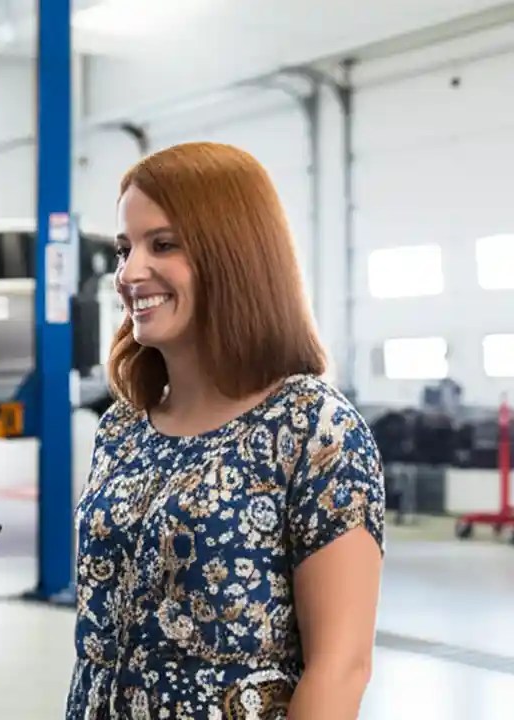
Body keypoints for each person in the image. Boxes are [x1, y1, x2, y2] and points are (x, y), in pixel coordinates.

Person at [65, 142, 385, 720]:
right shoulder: (122, 429)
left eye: (163, 245)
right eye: (123, 249)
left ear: (234, 254)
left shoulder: (314, 429)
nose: (129, 273)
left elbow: (340, 668)